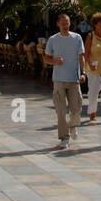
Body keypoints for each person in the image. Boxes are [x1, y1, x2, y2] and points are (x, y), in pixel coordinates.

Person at [42, 13, 85, 149]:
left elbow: (81, 57)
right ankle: (64, 137)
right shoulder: (53, 40)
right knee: (60, 111)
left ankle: (73, 125)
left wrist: (83, 73)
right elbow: (46, 58)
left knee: (77, 108)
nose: (65, 26)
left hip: (74, 79)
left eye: (67, 23)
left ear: (70, 23)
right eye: (63, 23)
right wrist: (55, 61)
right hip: (59, 79)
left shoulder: (77, 38)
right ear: (58, 24)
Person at [83, 12, 101, 124]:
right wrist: (89, 64)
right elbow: (86, 52)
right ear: (95, 24)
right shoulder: (90, 36)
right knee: (93, 91)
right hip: (94, 69)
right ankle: (92, 113)